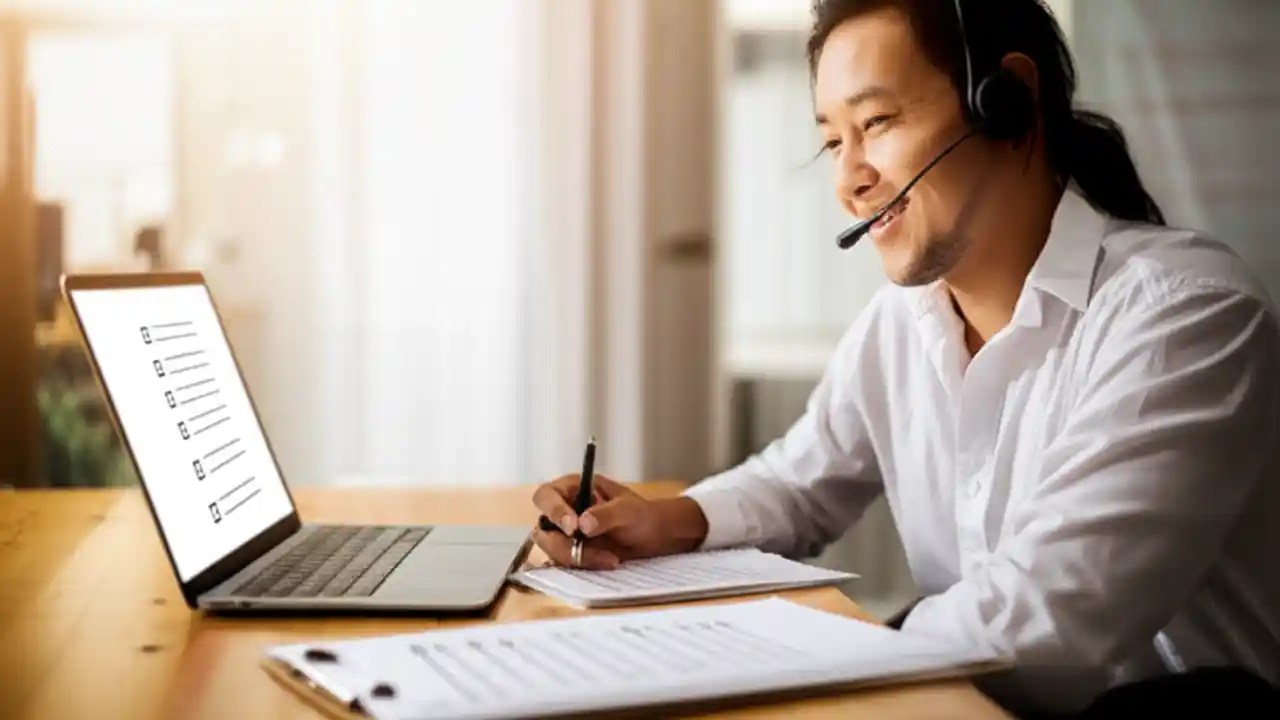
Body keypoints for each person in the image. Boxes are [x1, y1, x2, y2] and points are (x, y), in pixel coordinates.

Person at [531, 0, 1280, 714]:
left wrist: (790, 664)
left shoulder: (1185, 315)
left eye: (878, 122)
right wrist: (665, 521)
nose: (849, 178)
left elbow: (1052, 621)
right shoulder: (904, 320)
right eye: (833, 139)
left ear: (1009, 100)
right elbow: (799, 482)